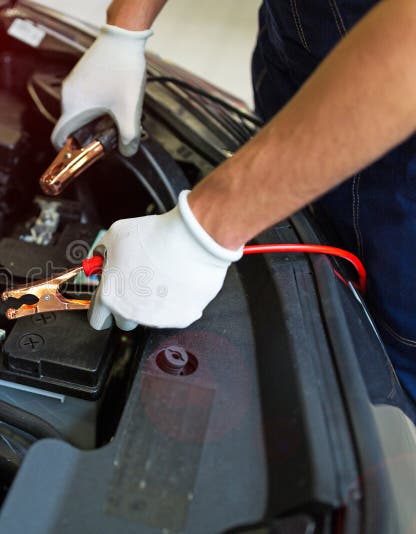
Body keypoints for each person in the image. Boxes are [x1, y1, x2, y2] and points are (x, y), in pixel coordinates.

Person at [53, 0, 416, 397]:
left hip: (400, 182)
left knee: (376, 381)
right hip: (301, 61)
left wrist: (208, 225)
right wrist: (125, 29)